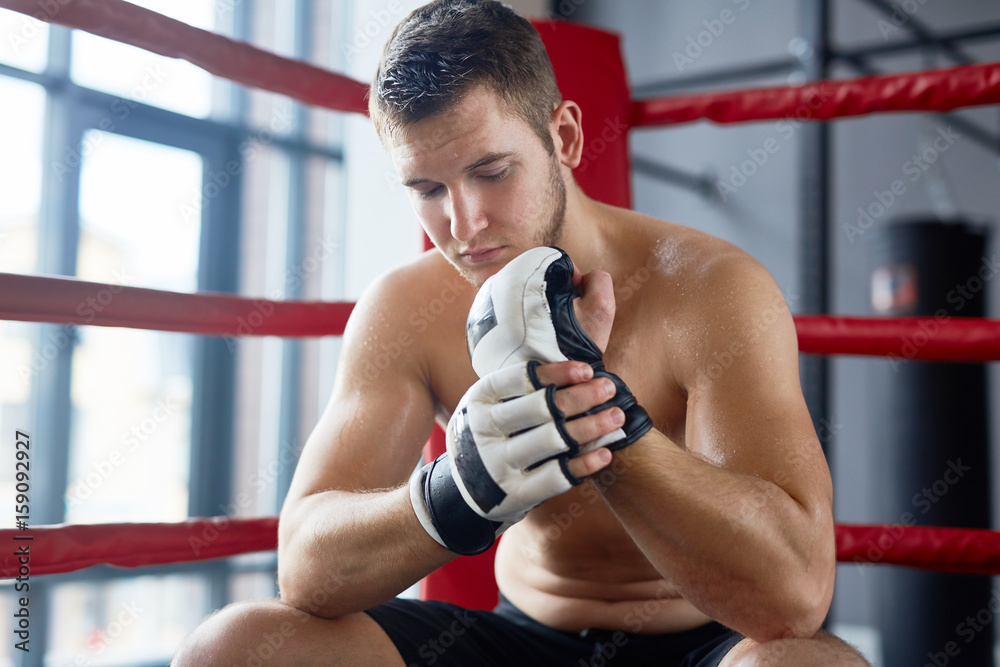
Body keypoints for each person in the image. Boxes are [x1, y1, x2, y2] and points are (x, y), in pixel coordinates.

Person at [174, 1, 870, 665]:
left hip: (705, 641)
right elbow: (305, 566)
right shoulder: (407, 309)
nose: (464, 221)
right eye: (428, 189)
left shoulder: (710, 288)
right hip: (517, 642)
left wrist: (599, 419)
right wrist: (455, 490)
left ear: (563, 137)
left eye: (491, 171)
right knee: (227, 650)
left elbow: (794, 595)